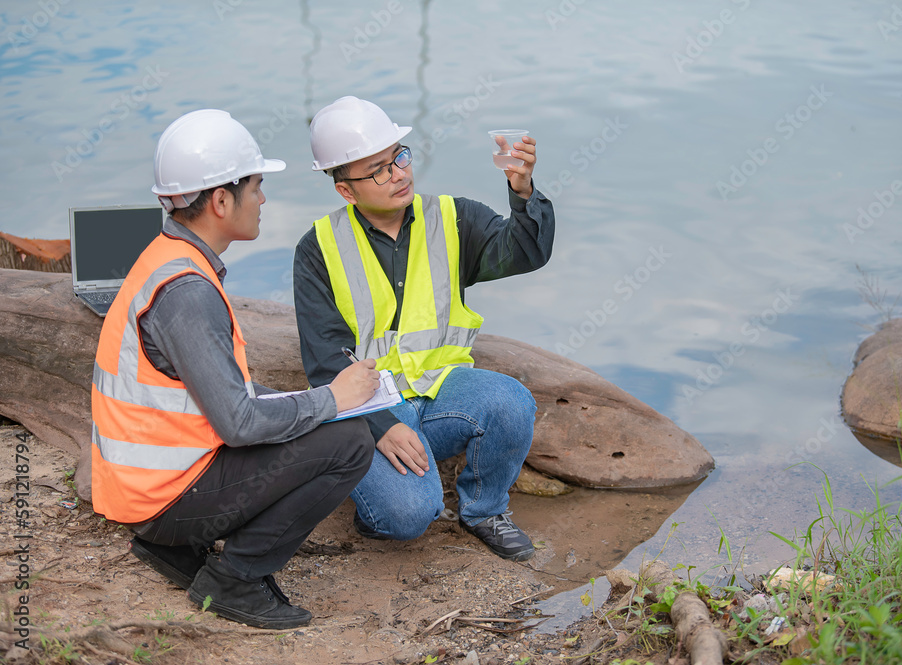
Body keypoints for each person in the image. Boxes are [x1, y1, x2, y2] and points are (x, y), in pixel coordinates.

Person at [90, 109, 380, 630]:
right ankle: (236, 578)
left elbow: (220, 395)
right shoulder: (189, 292)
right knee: (352, 441)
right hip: (161, 497)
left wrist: (312, 405)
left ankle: (177, 549)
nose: (263, 199)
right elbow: (240, 424)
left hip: (145, 486)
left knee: (323, 420)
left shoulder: (166, 257)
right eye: (256, 186)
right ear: (221, 200)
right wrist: (333, 401)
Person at [293, 96, 555, 562]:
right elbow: (324, 363)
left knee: (511, 402)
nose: (398, 173)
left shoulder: (454, 219)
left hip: (441, 390)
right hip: (370, 406)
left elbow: (525, 253)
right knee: (409, 518)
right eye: (378, 170)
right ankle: (380, 499)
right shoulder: (318, 249)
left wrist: (523, 190)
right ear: (346, 191)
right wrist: (380, 426)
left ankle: (484, 511)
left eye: (399, 157)